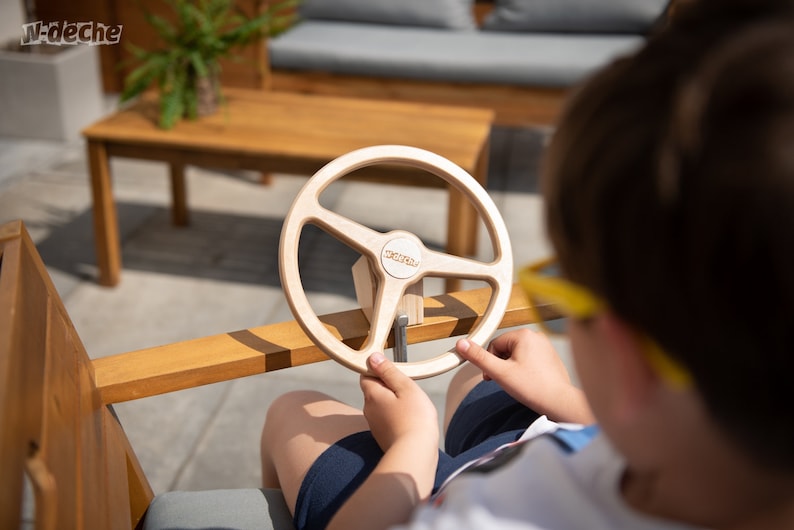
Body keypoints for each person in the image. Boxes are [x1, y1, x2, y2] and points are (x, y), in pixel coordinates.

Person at [260, 1, 794, 528]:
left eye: (565, 290)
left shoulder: (483, 519)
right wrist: (564, 400)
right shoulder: (707, 454)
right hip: (552, 434)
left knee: (293, 408)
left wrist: (413, 445)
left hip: (426, 491)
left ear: (628, 363)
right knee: (480, 365)